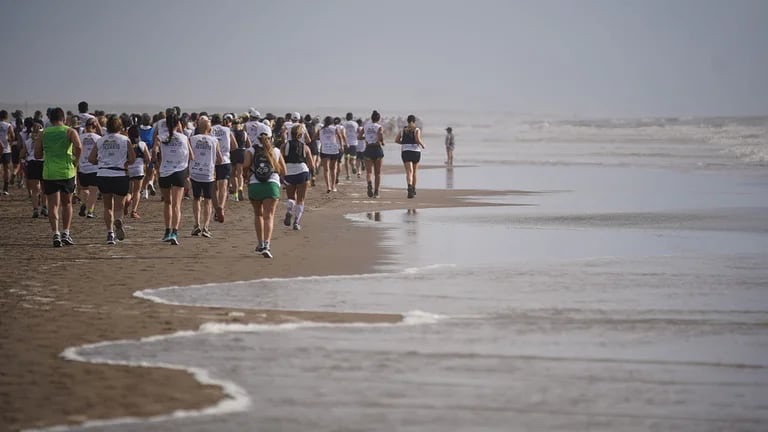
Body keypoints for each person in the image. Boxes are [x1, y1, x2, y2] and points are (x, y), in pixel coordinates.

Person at [33, 107, 82, 247]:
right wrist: (75, 162)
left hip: (50, 172)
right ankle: (66, 232)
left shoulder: (43, 133)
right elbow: (79, 147)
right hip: (67, 171)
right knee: (67, 204)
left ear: (50, 119)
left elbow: (37, 154)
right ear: (64, 119)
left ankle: (55, 233)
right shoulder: (70, 131)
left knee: (53, 205)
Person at [88, 116, 135, 245]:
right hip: (119, 173)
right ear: (120, 127)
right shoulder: (125, 140)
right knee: (119, 206)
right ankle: (118, 220)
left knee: (107, 206)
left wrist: (102, 162)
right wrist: (125, 162)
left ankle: (110, 233)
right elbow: (132, 158)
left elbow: (91, 158)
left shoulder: (100, 140)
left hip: (103, 173)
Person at [243, 123, 286, 258]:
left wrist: (247, 176)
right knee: (269, 216)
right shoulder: (276, 151)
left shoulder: (251, 150)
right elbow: (284, 170)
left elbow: (245, 166)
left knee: (258, 215)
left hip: (255, 185)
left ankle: (260, 243)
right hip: (271, 185)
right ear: (271, 136)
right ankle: (267, 244)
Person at [155, 109, 193, 245]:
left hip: (165, 171)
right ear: (178, 124)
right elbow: (192, 156)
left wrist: (158, 163)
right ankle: (174, 232)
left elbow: (154, 151)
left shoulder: (161, 136)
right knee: (177, 205)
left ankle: (166, 231)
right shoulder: (184, 138)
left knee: (167, 203)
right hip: (179, 172)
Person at [188, 116, 222, 238]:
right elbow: (220, 159)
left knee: (196, 198)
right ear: (209, 128)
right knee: (208, 200)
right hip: (208, 173)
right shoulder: (214, 141)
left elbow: (188, 155)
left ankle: (196, 224)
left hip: (195, 172)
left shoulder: (192, 139)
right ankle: (206, 227)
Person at [281, 124, 313, 230]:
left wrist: (281, 174)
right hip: (302, 172)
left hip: (288, 172)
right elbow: (311, 164)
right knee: (301, 199)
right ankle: (296, 222)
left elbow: (279, 161)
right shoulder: (305, 147)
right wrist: (312, 175)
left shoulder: (285, 146)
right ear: (301, 135)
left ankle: (289, 210)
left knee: (291, 197)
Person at [17, 118, 46, 217]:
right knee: (44, 188)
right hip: (43, 163)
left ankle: (35, 209)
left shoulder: (28, 141)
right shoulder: (44, 141)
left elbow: (21, 154)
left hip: (32, 163)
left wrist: (26, 155)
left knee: (35, 190)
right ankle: (44, 207)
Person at [211, 113, 236, 223]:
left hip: (212, 161)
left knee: (213, 187)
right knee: (223, 187)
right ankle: (221, 207)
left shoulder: (209, 130)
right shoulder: (227, 130)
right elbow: (235, 146)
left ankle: (216, 208)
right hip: (225, 160)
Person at [395, 114, 425, 198]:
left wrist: (404, 143)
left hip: (405, 151)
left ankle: (409, 188)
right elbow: (417, 140)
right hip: (415, 152)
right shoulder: (417, 129)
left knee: (409, 172)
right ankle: (413, 189)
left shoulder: (402, 130)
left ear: (407, 121)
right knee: (414, 172)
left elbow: (396, 140)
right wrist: (423, 145)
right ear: (414, 121)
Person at [77, 118, 101, 218]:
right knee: (93, 191)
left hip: (82, 167)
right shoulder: (98, 138)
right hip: (94, 167)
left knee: (84, 189)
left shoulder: (80, 137)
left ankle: (83, 204)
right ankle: (90, 211)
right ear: (95, 127)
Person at [126, 125, 149, 219]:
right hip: (138, 169)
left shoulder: (126, 143)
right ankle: (134, 211)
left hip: (127, 169)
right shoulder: (142, 144)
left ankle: (126, 202)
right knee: (137, 191)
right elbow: (148, 158)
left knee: (129, 192)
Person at [360, 110, 385, 198]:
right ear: (378, 119)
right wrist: (382, 141)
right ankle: (376, 192)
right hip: (377, 149)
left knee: (369, 172)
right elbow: (381, 135)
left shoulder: (366, 126)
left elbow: (359, 136)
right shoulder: (379, 127)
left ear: (371, 118)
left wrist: (366, 137)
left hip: (368, 149)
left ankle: (369, 183)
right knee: (377, 173)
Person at [316, 116, 344, 193]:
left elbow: (315, 137)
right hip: (334, 149)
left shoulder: (321, 129)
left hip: (324, 149)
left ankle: (328, 186)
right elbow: (340, 137)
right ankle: (333, 186)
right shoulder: (334, 128)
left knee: (326, 169)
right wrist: (341, 146)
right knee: (333, 169)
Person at [138, 113, 156, 198]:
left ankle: (145, 191)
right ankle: (150, 182)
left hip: (140, 152)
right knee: (151, 170)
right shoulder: (153, 130)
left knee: (143, 172)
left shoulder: (138, 130)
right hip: (150, 151)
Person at [0, 110, 16, 195]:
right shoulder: (8, 125)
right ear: (6, 117)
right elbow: (13, 136)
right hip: (6, 149)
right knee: (6, 169)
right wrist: (9, 140)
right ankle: (5, 189)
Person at [342, 113, 358, 180]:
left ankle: (348, 175)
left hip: (346, 143)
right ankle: (353, 165)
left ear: (346, 117)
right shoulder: (355, 124)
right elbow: (357, 132)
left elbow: (343, 133)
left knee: (346, 159)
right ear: (352, 117)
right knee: (353, 158)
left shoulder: (344, 124)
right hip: (354, 143)